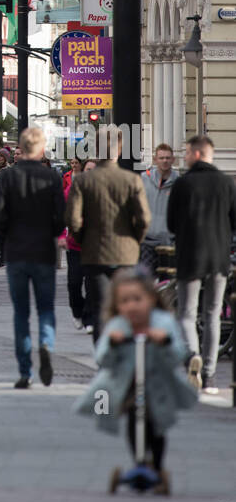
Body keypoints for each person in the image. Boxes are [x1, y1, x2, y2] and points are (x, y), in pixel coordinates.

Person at [74, 267, 196, 490]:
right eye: (125, 301)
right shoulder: (118, 325)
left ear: (150, 299)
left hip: (158, 382)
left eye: (137, 299)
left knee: (156, 424)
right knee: (134, 416)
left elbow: (178, 353)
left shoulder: (162, 322)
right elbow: (102, 357)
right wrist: (112, 343)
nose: (132, 306)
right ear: (117, 305)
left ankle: (157, 467)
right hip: (129, 383)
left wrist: (165, 342)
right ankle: (139, 461)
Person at [0, 125, 65, 389]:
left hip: (17, 251)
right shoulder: (52, 178)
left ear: (21, 148)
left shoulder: (8, 177)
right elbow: (60, 218)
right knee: (46, 308)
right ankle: (46, 342)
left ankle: (25, 370)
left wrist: (8, 233)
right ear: (42, 148)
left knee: (20, 312)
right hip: (44, 251)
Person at [65, 131, 150, 343]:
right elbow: (143, 219)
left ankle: (104, 358)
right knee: (125, 306)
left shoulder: (84, 181)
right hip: (125, 254)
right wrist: (134, 240)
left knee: (100, 308)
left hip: (94, 253)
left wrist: (83, 239)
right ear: (119, 151)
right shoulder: (131, 180)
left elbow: (73, 220)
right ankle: (125, 356)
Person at [167, 134, 236, 394]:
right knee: (213, 315)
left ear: (197, 154)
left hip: (189, 257)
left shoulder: (183, 184)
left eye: (186, 153)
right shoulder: (226, 183)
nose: (184, 157)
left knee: (186, 313)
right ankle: (209, 377)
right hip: (218, 258)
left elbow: (171, 223)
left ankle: (192, 355)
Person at [63, 159, 93, 332]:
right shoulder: (71, 191)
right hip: (74, 245)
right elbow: (62, 214)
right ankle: (77, 310)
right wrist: (62, 235)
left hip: (94, 246)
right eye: (87, 169)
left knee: (91, 284)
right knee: (74, 283)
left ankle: (89, 318)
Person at [140, 143, 178, 272]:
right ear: (155, 159)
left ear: (173, 159)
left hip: (169, 242)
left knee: (167, 283)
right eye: (161, 158)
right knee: (146, 282)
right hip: (147, 241)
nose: (165, 161)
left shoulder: (179, 183)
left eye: (168, 158)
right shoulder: (144, 179)